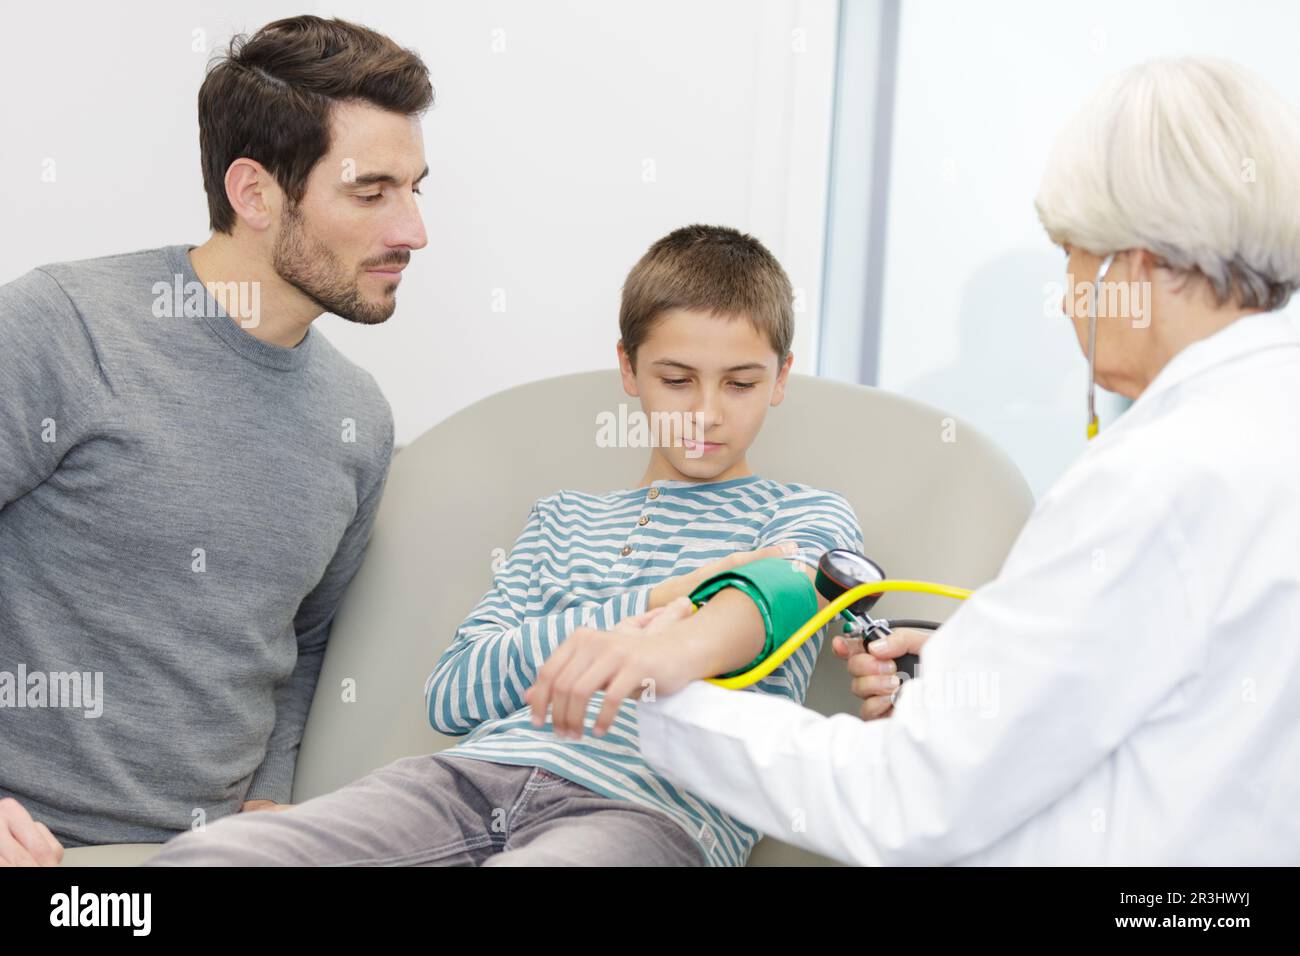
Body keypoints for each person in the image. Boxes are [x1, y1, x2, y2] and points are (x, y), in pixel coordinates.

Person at [631, 57, 1300, 865]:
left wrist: (657, 695)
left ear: (1142, 263)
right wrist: (978, 668)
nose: (1068, 298)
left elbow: (903, 806)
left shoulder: (1155, 477)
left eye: (1073, 258)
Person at [145, 224, 864, 866]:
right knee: (213, 856)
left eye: (740, 383)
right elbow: (457, 693)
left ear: (780, 379)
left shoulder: (803, 514)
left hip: (653, 813)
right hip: (469, 779)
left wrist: (665, 648)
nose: (705, 412)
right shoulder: (563, 519)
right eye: (676, 380)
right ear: (628, 370)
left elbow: (786, 588)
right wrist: (649, 604)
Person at [0, 15, 430, 864]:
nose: (413, 231)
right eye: (372, 191)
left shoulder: (359, 417)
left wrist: (271, 800)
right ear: (256, 193)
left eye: (418, 188)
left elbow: (304, 642)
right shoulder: (63, 327)